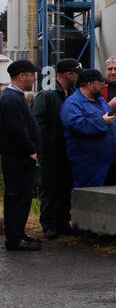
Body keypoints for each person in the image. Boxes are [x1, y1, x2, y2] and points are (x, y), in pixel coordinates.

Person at [61, 68, 116, 188]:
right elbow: (77, 125)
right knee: (90, 190)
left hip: (115, 145)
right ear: (90, 84)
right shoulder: (72, 103)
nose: (103, 87)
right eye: (100, 84)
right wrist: (102, 121)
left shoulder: (100, 100)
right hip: (90, 154)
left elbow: (111, 118)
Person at [32, 58, 81, 237]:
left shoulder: (73, 92)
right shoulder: (47, 94)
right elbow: (38, 122)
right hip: (51, 151)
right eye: (77, 73)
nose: (79, 76)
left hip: (69, 149)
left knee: (66, 186)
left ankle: (62, 221)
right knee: (51, 187)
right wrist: (44, 146)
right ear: (68, 74)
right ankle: (49, 224)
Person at [1, 60, 43, 251]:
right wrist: (30, 150)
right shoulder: (11, 98)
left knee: (21, 197)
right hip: (18, 157)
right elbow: (17, 128)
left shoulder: (15, 96)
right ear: (21, 76)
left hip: (18, 156)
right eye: (31, 75)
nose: (34, 78)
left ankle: (18, 232)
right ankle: (15, 237)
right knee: (17, 196)